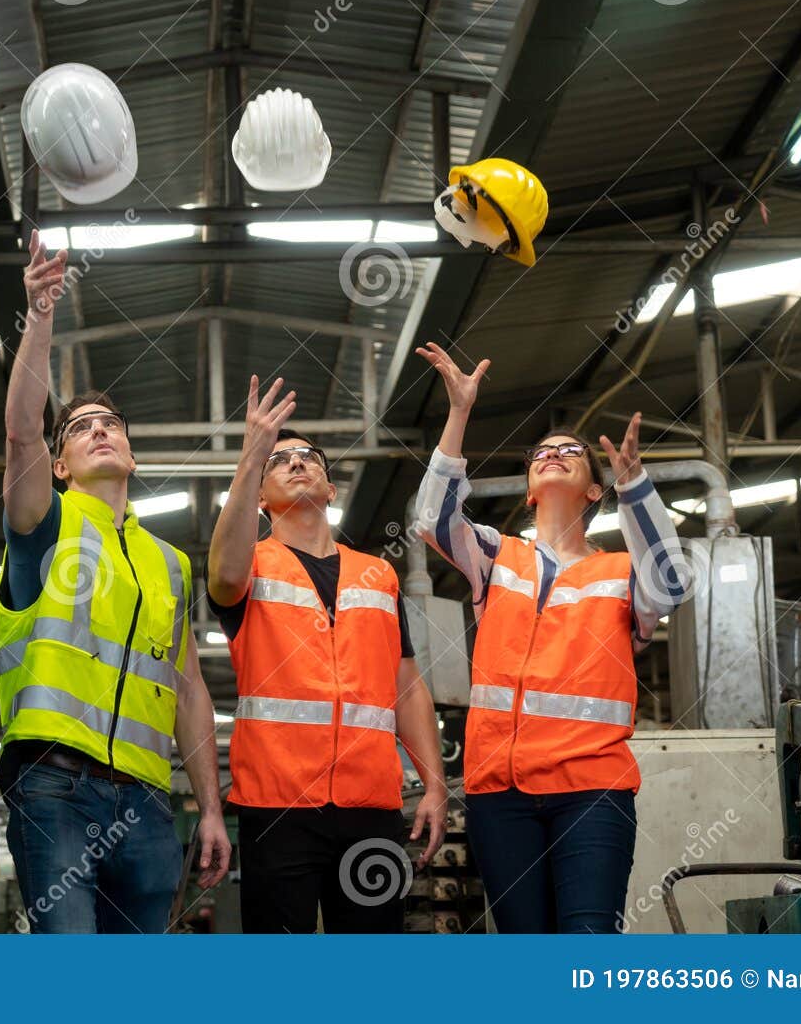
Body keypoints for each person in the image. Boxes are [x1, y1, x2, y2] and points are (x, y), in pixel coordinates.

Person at [0, 232, 230, 933]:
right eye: (80, 428)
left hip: (151, 801)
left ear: (130, 451)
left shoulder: (169, 562)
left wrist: (210, 806)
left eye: (111, 425)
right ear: (60, 462)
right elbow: (19, 435)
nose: (99, 432)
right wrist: (40, 320)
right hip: (54, 784)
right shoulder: (46, 520)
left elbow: (188, 686)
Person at [413, 341, 690, 933]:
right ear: (531, 486)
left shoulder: (620, 571)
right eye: (542, 452)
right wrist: (459, 413)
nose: (554, 454)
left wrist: (637, 486)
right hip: (498, 794)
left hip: (590, 790)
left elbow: (671, 584)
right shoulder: (497, 555)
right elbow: (432, 520)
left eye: (571, 451)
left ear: (595, 490)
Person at [208, 375, 448, 933]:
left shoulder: (378, 574)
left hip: (371, 806)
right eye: (279, 460)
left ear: (332, 487)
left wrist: (434, 783)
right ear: (260, 497)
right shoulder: (248, 567)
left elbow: (407, 687)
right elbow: (222, 573)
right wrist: (249, 456)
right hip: (278, 806)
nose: (296, 463)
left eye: (308, 457)